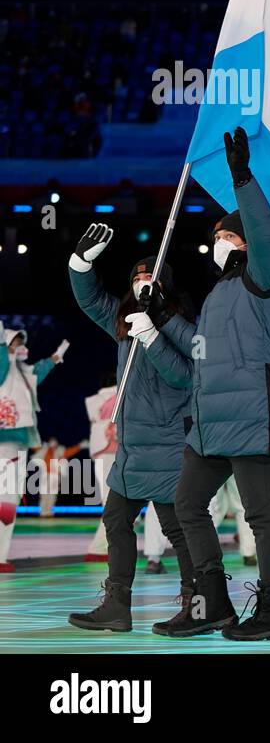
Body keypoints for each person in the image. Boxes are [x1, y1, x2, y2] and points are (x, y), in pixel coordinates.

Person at [152, 127, 270, 640]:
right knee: (187, 506)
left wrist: (243, 181)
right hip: (210, 424)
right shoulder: (220, 292)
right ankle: (211, 604)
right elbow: (200, 349)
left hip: (254, 414)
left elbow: (264, 232)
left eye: (227, 236)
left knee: (260, 516)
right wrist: (163, 318)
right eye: (216, 236)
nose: (219, 242)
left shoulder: (268, 277)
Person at [65, 225, 194, 631]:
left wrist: (153, 336)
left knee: (178, 530)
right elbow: (91, 300)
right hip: (132, 448)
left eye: (150, 277)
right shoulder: (124, 322)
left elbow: (183, 377)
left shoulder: (181, 325)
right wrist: (80, 264)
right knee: (115, 521)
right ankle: (117, 605)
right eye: (136, 277)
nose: (141, 283)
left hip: (168, 446)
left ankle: (197, 603)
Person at [1, 324, 66, 572]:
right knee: (6, 498)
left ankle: (1, 556)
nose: (21, 346)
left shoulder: (25, 373)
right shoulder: (3, 367)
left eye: (21, 342)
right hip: (4, 440)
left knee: (10, 500)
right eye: (16, 342)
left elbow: (40, 369)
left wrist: (57, 356)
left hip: (18, 443)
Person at [84, 372, 119, 563]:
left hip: (102, 454)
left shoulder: (94, 400)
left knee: (112, 501)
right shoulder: (115, 396)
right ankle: (98, 548)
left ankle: (102, 547)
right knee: (112, 503)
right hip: (112, 453)